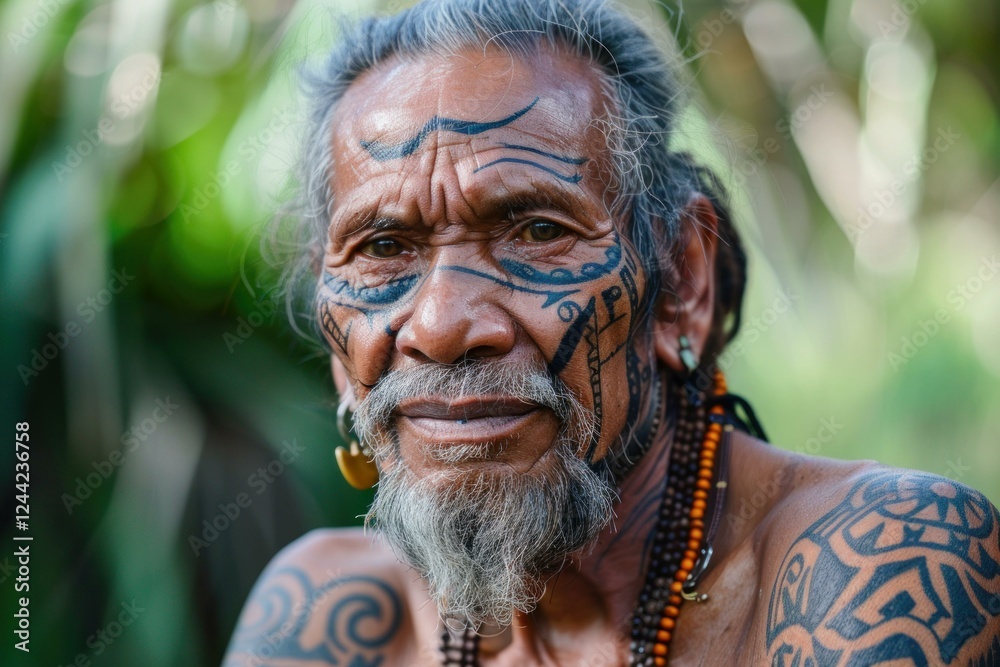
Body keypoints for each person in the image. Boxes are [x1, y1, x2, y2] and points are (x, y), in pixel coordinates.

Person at [223, 0, 1000, 664]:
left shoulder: (876, 558)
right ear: (335, 345)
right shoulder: (326, 620)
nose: (440, 325)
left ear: (681, 282)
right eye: (384, 248)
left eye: (533, 230)